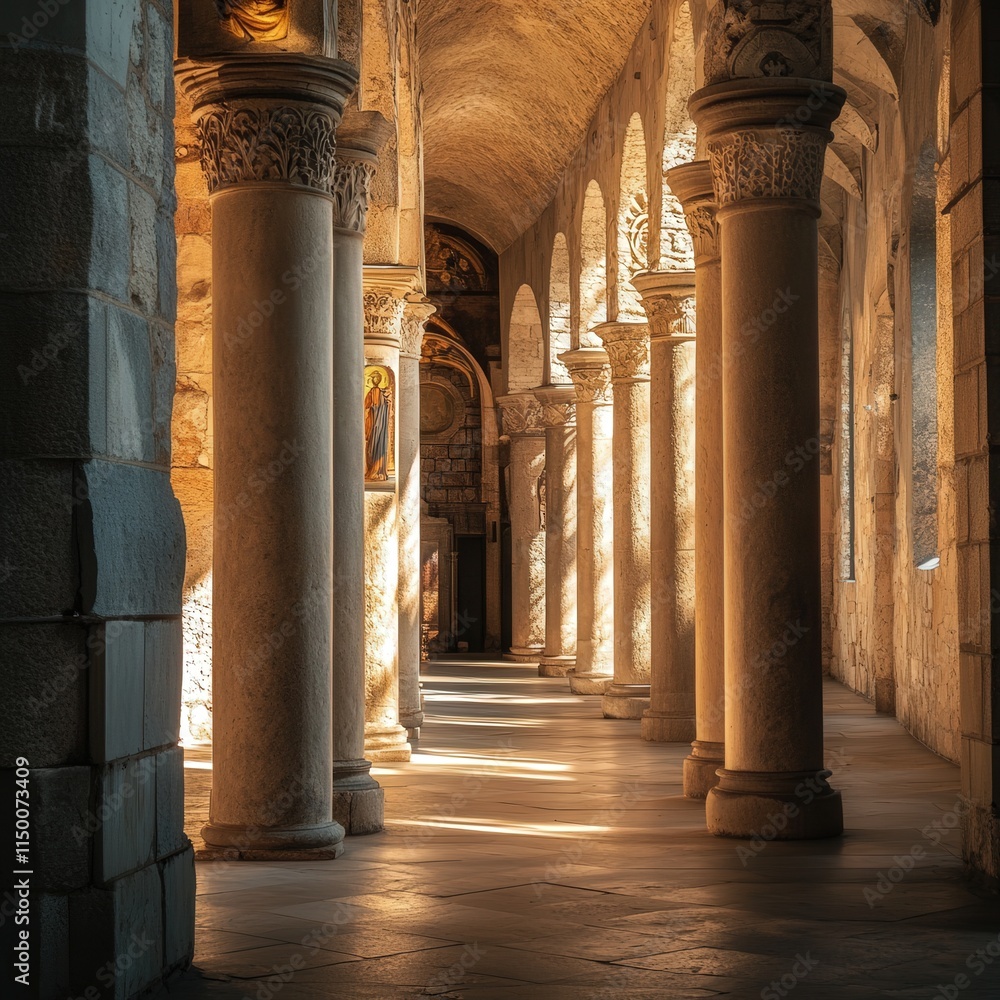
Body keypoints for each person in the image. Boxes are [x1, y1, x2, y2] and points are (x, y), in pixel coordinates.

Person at [364, 369, 391, 480]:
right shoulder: (383, 395)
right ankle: (377, 470)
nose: (373, 380)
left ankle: (374, 470)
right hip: (379, 425)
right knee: (375, 446)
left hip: (374, 424)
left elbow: (366, 406)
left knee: (372, 447)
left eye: (373, 378)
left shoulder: (373, 393)